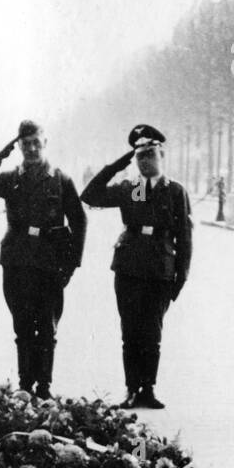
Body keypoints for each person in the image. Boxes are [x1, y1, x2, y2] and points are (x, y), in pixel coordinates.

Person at [0, 119, 86, 398]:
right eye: (25, 145)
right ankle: (25, 385)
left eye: (36, 143)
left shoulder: (60, 179)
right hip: (17, 259)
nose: (31, 149)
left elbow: (79, 220)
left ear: (45, 143)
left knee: (46, 327)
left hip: (49, 260)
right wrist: (0, 155)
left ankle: (44, 387)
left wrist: (71, 263)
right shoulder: (11, 178)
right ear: (19, 146)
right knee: (22, 324)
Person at [81, 124, 192, 409]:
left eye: (151, 154)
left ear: (162, 156)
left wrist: (180, 278)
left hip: (160, 270)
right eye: (140, 156)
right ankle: (132, 389)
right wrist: (117, 165)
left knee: (152, 333)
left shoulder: (175, 191)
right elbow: (90, 195)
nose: (145, 160)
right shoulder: (133, 189)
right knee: (130, 332)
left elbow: (185, 237)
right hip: (129, 268)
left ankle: (148, 389)